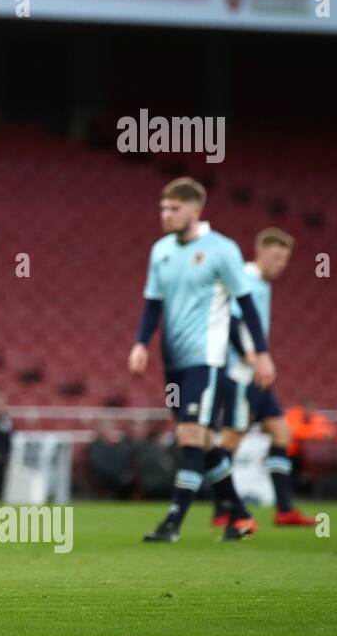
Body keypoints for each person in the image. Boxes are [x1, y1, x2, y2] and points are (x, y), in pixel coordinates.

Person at [129, 177, 274, 543]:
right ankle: (240, 515)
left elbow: (246, 304)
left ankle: (173, 523)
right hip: (172, 362)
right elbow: (153, 303)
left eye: (174, 208)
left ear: (195, 210)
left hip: (206, 360)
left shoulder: (222, 250)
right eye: (163, 208)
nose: (166, 214)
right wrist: (141, 343)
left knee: (190, 434)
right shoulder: (160, 251)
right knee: (204, 440)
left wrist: (262, 354)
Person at [216, 228, 314, 527]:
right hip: (241, 374)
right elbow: (232, 320)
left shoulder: (261, 283)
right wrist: (252, 357)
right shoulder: (245, 278)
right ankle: (222, 510)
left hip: (257, 376)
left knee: (282, 434)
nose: (281, 264)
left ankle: (284, 510)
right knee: (231, 439)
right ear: (260, 252)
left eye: (285, 259)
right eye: (276, 257)